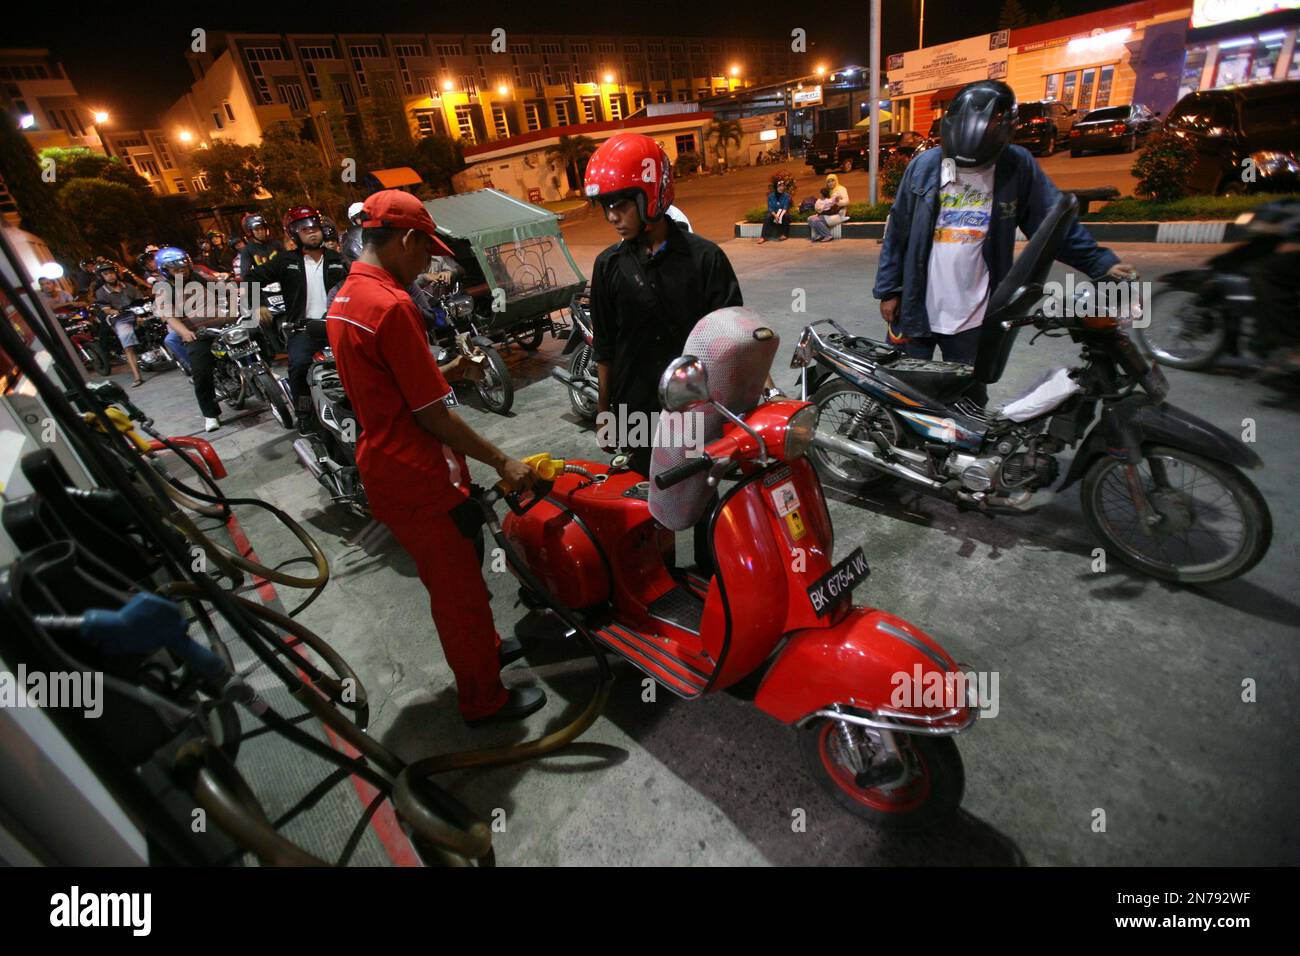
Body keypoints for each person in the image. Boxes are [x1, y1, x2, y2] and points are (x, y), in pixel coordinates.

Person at [326, 189, 545, 726]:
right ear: (404, 240)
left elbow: (394, 391)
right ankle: (483, 699)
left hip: (386, 466)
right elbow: (432, 416)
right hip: (421, 473)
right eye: (426, 251)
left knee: (457, 575)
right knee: (459, 595)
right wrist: (503, 461)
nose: (429, 263)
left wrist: (451, 373)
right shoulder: (393, 305)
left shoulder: (347, 299)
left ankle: (487, 649)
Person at [874, 80, 1136, 403]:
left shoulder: (1016, 166)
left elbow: (1052, 223)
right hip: (916, 310)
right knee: (904, 394)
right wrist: (889, 290)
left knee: (969, 400)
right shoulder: (923, 167)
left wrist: (1100, 263)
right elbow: (897, 231)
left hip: (974, 315)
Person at [584, 132, 744, 478]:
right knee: (648, 499)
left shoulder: (706, 259)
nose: (612, 217)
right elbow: (606, 348)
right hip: (636, 409)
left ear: (652, 196)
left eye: (620, 205)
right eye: (606, 207)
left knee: (703, 490)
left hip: (695, 407)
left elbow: (732, 338)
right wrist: (604, 414)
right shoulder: (607, 266)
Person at [243, 206, 349, 433]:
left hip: (340, 324)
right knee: (300, 366)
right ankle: (304, 413)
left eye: (314, 227)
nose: (311, 232)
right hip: (304, 329)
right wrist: (258, 303)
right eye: (304, 228)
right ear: (294, 233)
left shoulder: (338, 259)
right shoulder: (285, 260)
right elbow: (250, 277)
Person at [154, 247, 225, 431]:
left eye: (184, 267)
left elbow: (223, 291)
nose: (182, 271)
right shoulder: (165, 289)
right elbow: (169, 316)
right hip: (197, 332)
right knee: (201, 372)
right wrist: (184, 332)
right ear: (166, 271)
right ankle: (210, 414)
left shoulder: (199, 277)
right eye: (176, 269)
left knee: (255, 333)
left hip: (222, 322)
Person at [93, 261, 148, 387]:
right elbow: (106, 309)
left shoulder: (128, 286)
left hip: (137, 313)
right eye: (106, 274)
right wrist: (115, 311)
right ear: (102, 277)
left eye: (112, 273)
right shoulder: (101, 292)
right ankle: (137, 376)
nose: (110, 276)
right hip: (120, 318)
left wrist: (140, 313)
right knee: (127, 343)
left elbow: (140, 300)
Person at [235, 213, 283, 279]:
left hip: (281, 280)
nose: (260, 232)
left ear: (266, 230)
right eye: (256, 230)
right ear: (251, 232)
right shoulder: (247, 250)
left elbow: (288, 263)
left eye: (262, 229)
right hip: (263, 283)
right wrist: (254, 287)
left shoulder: (277, 244)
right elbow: (245, 274)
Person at [808, 174, 849, 242]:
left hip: (837, 213)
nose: (830, 183)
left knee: (816, 220)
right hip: (826, 213)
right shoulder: (827, 190)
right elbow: (824, 203)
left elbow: (846, 202)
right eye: (828, 182)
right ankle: (821, 234)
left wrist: (837, 201)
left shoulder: (841, 189)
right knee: (810, 219)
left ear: (836, 181)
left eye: (832, 181)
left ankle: (828, 235)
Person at [759, 176, 792, 243]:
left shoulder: (786, 196)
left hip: (783, 212)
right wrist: (775, 216)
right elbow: (770, 208)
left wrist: (779, 215)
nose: (781, 188)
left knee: (785, 216)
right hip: (774, 213)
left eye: (783, 186)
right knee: (768, 217)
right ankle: (763, 237)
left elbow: (785, 207)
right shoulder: (771, 196)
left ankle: (784, 234)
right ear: (776, 187)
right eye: (779, 186)